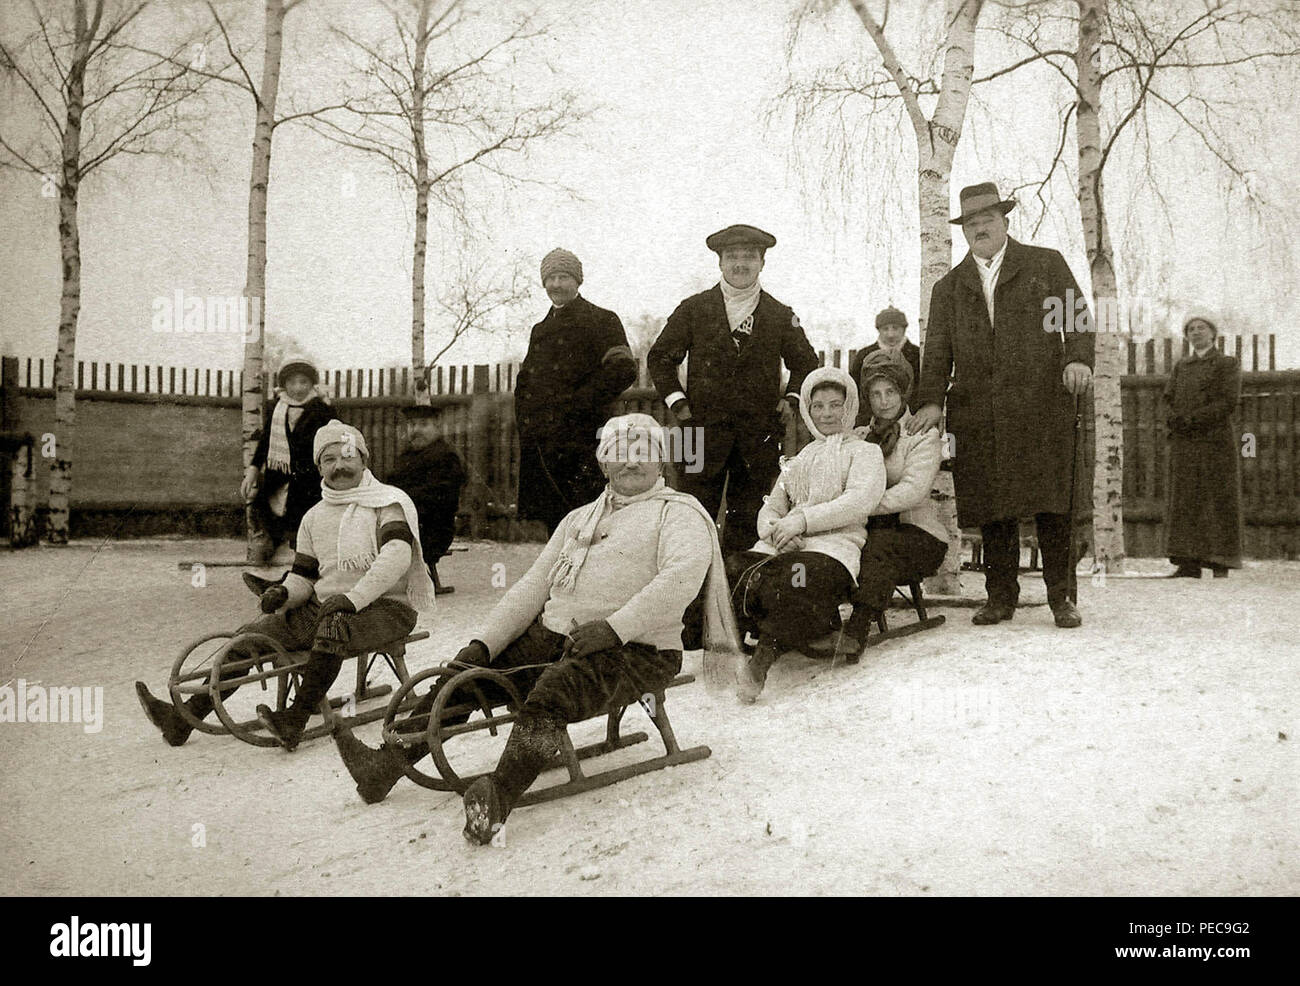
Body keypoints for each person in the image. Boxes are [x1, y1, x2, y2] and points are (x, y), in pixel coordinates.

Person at [332, 414, 741, 844]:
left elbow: (677, 583)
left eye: (643, 451)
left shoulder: (677, 515)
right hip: (556, 637)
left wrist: (614, 629)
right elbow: (532, 588)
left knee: (553, 691)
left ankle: (498, 795)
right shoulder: (579, 519)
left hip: (637, 649)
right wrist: (483, 644)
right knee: (467, 679)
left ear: (661, 461)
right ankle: (385, 767)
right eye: (620, 452)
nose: (631, 461)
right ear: (604, 464)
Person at [137, 421, 435, 749]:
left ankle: (295, 718)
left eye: (348, 456)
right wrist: (283, 592)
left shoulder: (388, 502)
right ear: (319, 467)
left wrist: (352, 599)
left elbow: (396, 556)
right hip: (326, 607)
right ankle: (184, 718)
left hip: (386, 608)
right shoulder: (314, 516)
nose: (340, 466)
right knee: (253, 634)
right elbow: (304, 576)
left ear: (364, 459)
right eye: (329, 459)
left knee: (334, 627)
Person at [909, 182, 1095, 629]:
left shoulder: (1043, 265)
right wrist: (932, 400)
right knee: (994, 507)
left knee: (1053, 504)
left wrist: (1077, 359)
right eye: (971, 223)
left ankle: (1060, 598)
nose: (979, 229)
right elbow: (935, 352)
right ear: (964, 231)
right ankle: (1000, 597)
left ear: (1005, 222)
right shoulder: (950, 287)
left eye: (987, 220)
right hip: (980, 410)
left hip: (1042, 404)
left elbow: (1079, 320)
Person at [648, 224, 820, 556]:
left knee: (748, 524)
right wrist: (678, 402)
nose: (740, 264)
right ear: (720, 263)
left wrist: (792, 397)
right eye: (732, 257)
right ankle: (692, 604)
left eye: (749, 257)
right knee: (691, 519)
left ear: (762, 263)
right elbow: (659, 358)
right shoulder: (693, 309)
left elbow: (806, 361)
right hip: (697, 434)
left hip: (758, 437)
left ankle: (737, 602)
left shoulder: (779, 314)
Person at [728, 366, 886, 703]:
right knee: (734, 568)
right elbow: (771, 506)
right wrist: (776, 532)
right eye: (818, 406)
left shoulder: (864, 452)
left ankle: (762, 661)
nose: (827, 413)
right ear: (808, 410)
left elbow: (858, 502)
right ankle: (745, 642)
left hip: (832, 549)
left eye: (835, 405)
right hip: (785, 544)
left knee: (794, 579)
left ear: (850, 406)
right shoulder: (801, 457)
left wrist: (801, 522)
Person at [514, 248, 638, 534]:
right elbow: (526, 383)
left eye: (563, 277)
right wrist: (526, 425)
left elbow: (623, 369)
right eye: (550, 278)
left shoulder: (602, 320)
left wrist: (577, 406)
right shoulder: (539, 330)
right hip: (542, 444)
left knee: (589, 519)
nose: (556, 285)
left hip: (582, 441)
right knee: (553, 524)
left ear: (577, 281)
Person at [837, 349, 947, 651]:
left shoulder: (922, 435)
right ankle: (818, 622)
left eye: (890, 392)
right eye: (875, 394)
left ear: (904, 392)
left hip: (919, 536)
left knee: (879, 545)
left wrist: (859, 504)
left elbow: (913, 491)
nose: (883, 401)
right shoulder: (860, 436)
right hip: (870, 530)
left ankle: (857, 628)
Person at [1162, 315, 1243, 578]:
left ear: (1212, 333)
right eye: (1191, 329)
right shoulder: (1181, 366)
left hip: (1214, 442)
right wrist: (1174, 418)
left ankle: (1220, 562)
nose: (1196, 332)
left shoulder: (1226, 364)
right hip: (1185, 443)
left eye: (1201, 328)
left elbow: (1227, 401)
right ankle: (1188, 562)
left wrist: (1193, 419)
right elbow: (1167, 398)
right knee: (1186, 499)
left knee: (1216, 499)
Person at [241, 354, 333, 564]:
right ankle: (268, 551)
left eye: (303, 382)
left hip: (310, 478)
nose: (298, 388)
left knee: (307, 520)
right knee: (270, 512)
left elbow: (334, 437)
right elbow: (266, 441)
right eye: (292, 382)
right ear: (284, 384)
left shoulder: (320, 409)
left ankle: (307, 561)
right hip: (280, 476)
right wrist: (254, 469)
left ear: (311, 384)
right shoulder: (277, 408)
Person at [386, 403, 466, 575]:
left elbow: (439, 499)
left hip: (432, 528)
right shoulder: (406, 456)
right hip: (407, 519)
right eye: (412, 425)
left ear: (437, 427)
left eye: (423, 424)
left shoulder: (445, 457)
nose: (416, 430)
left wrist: (400, 503)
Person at [847, 306, 922, 422]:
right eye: (885, 329)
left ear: (904, 329)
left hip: (909, 419)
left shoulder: (917, 354)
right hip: (871, 419)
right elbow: (855, 390)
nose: (890, 334)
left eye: (895, 328)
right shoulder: (864, 355)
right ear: (879, 330)